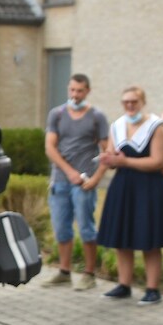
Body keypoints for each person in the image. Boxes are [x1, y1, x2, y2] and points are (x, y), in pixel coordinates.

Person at [95, 86, 163, 305]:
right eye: (126, 102)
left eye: (134, 102)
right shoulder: (117, 126)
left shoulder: (156, 127)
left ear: (142, 102)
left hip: (149, 187)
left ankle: (152, 289)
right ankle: (124, 284)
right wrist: (109, 160)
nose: (129, 106)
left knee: (149, 239)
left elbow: (158, 161)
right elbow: (112, 156)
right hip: (124, 185)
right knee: (123, 237)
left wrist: (124, 161)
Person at [43, 73, 109, 291]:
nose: (75, 95)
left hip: (84, 182)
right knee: (61, 228)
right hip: (60, 181)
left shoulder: (97, 117)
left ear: (87, 91)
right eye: (72, 90)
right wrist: (69, 172)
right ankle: (64, 271)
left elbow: (107, 151)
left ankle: (89, 274)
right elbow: (50, 148)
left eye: (80, 91)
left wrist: (96, 179)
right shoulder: (57, 114)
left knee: (87, 228)